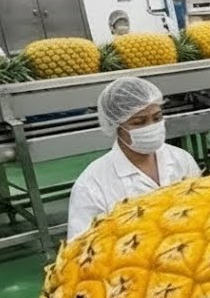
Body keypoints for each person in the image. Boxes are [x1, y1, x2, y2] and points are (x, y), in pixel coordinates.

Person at [67, 78, 201, 240]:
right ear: (116, 124)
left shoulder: (181, 159)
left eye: (157, 118)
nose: (151, 126)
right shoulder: (92, 185)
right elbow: (81, 246)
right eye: (139, 122)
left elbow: (202, 210)